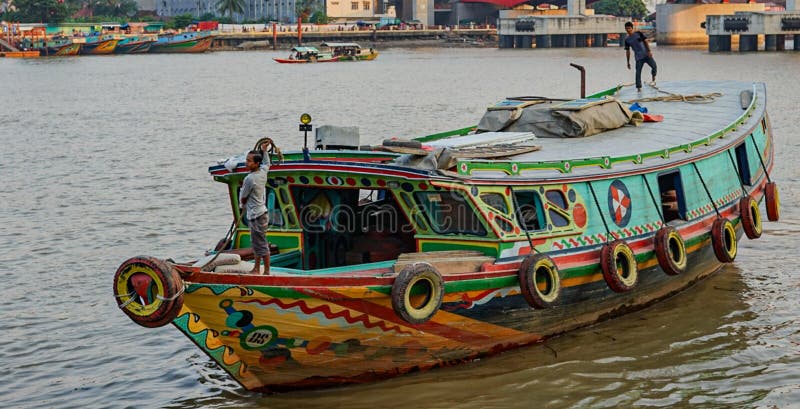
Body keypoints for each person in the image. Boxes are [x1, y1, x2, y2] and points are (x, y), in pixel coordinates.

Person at [240, 151, 270, 274]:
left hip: (256, 215)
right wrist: (264, 150)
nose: (246, 163)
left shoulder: (249, 179)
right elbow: (267, 163)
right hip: (261, 213)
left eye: (249, 161)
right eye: (246, 160)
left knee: (261, 244)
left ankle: (266, 271)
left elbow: (243, 197)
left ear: (257, 163)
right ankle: (256, 268)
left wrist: (242, 205)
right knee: (257, 243)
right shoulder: (263, 172)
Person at [624, 21, 657, 92]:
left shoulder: (638, 34)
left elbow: (645, 41)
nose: (628, 30)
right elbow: (627, 51)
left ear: (632, 28)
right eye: (626, 28)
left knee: (654, 66)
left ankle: (653, 78)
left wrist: (649, 51)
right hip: (638, 58)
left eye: (629, 28)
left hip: (646, 55)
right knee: (638, 72)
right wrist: (628, 62)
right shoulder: (627, 40)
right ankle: (639, 88)